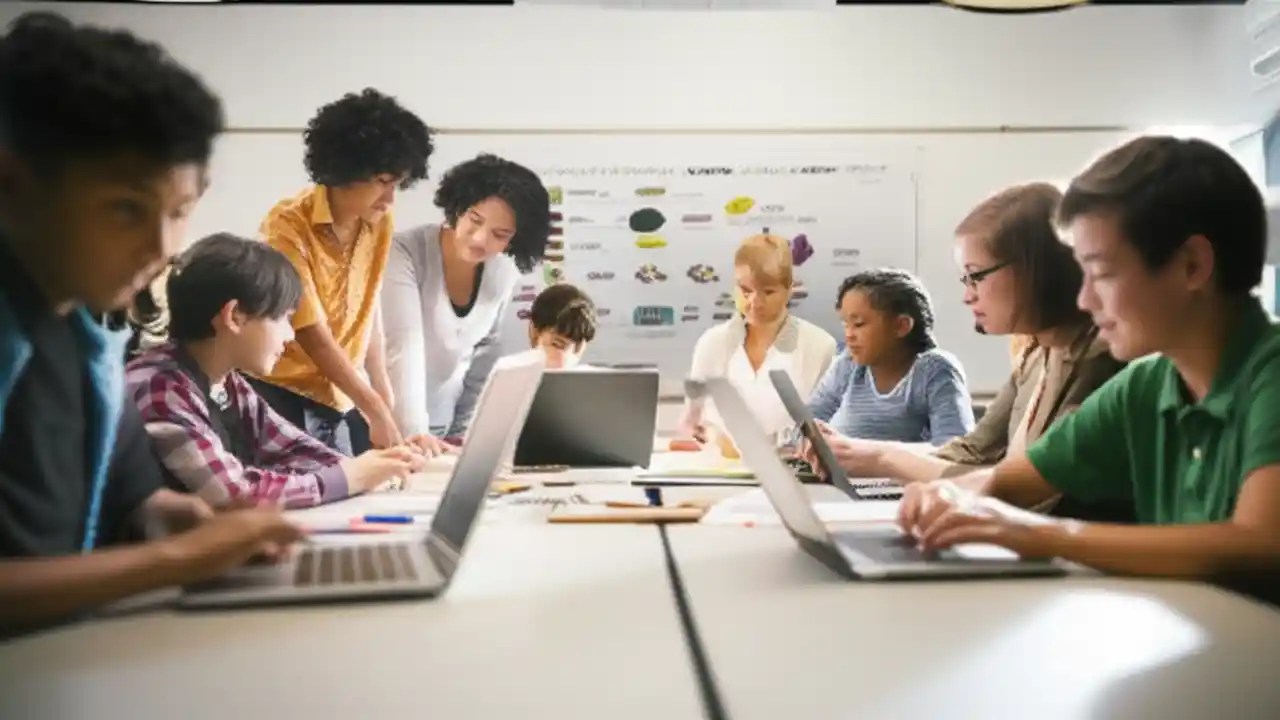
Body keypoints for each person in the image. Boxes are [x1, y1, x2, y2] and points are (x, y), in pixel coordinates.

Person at [0, 12, 300, 634]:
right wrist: (172, 560)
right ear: (10, 183)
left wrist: (186, 522)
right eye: (125, 209)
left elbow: (136, 501)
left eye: (180, 211)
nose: (161, 246)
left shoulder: (87, 333)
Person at [899, 136, 1280, 594]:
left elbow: (1261, 542)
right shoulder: (1147, 384)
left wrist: (1041, 535)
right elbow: (1010, 480)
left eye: (1101, 273)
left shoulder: (1269, 373)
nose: (1084, 299)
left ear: (1192, 265)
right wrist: (954, 493)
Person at [805, 183, 1129, 521]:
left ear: (1035, 269)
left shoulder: (1102, 360)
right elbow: (975, 452)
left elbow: (1033, 495)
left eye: (975, 277)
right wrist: (858, 454)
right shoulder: (1036, 354)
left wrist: (879, 457)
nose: (968, 296)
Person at [126, 234, 426, 510]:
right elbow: (234, 493)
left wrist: (376, 467)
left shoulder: (226, 384)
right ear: (235, 316)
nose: (290, 335)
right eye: (284, 318)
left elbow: (291, 448)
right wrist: (351, 477)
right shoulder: (161, 388)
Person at [250, 88, 436, 457]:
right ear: (345, 171)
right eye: (383, 182)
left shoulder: (378, 223)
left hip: (341, 393)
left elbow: (370, 311)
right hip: (281, 390)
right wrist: (375, 407)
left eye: (397, 184)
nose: (390, 199)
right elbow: (310, 331)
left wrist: (383, 394)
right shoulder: (286, 224)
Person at [382, 153, 551, 444]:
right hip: (387, 427)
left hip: (443, 428)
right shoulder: (404, 252)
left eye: (499, 234)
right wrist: (414, 433)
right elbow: (402, 347)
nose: (479, 240)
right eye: (474, 220)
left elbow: (485, 359)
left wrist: (465, 433)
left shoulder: (502, 271)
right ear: (457, 208)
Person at [679, 233, 837, 450]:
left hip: (793, 473)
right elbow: (690, 424)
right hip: (719, 472)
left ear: (790, 289)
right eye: (745, 290)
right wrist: (705, 438)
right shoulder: (712, 343)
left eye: (768, 292)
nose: (755, 302)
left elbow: (828, 430)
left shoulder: (819, 346)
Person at [806, 268, 974, 445]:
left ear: (901, 326)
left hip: (891, 472)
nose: (848, 334)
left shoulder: (934, 370)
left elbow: (953, 447)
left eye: (858, 324)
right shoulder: (849, 364)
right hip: (838, 470)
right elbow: (810, 419)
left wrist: (869, 457)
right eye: (845, 324)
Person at [527, 283, 598, 369]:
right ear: (534, 332)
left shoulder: (599, 381)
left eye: (577, 348)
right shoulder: (512, 378)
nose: (567, 358)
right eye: (557, 345)